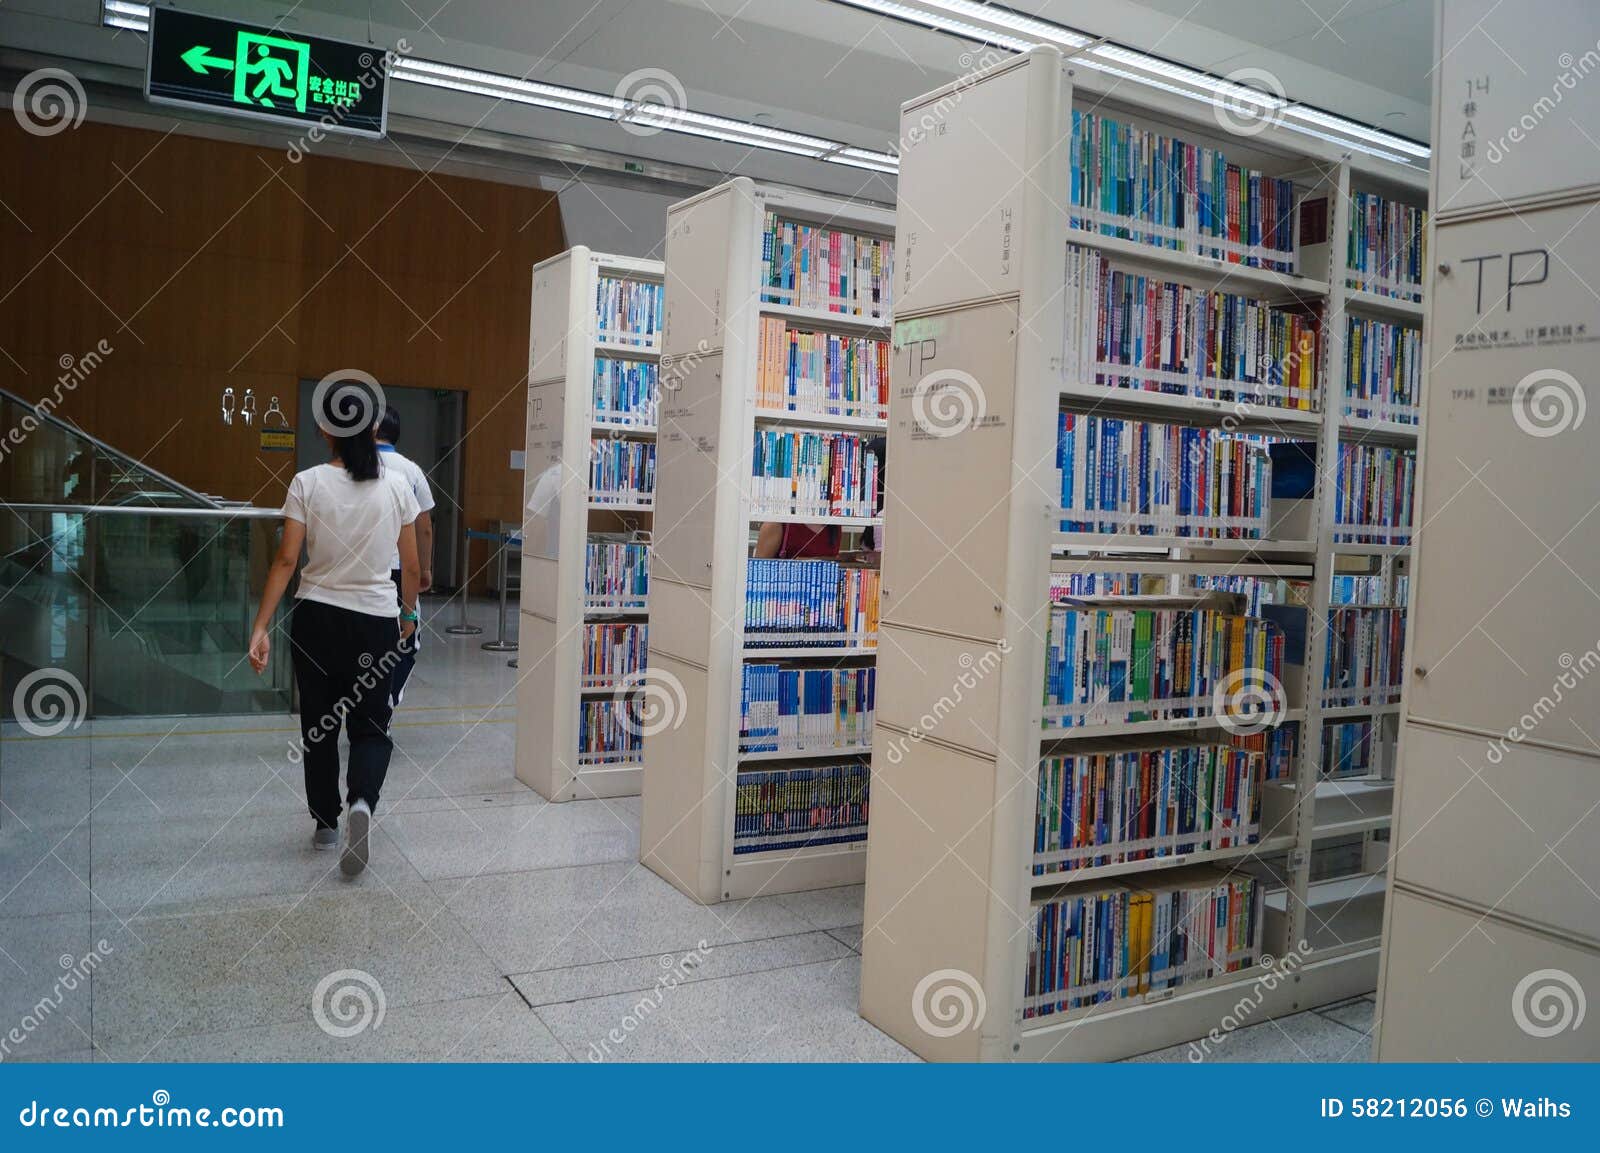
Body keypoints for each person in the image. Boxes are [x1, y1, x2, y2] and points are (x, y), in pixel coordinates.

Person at [248, 396, 420, 878]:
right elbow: (411, 565)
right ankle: (361, 801)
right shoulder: (397, 486)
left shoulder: (307, 482)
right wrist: (408, 614)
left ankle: (325, 824)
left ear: (325, 430)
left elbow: (285, 561)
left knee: (318, 725)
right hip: (374, 622)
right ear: (372, 429)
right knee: (370, 726)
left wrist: (261, 625)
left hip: (315, 620)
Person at [374, 408, 435, 706]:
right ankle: (384, 704)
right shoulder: (411, 471)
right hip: (400, 570)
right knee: (404, 639)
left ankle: (363, 705)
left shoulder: (348, 466)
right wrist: (425, 568)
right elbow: (424, 528)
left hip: (362, 569)